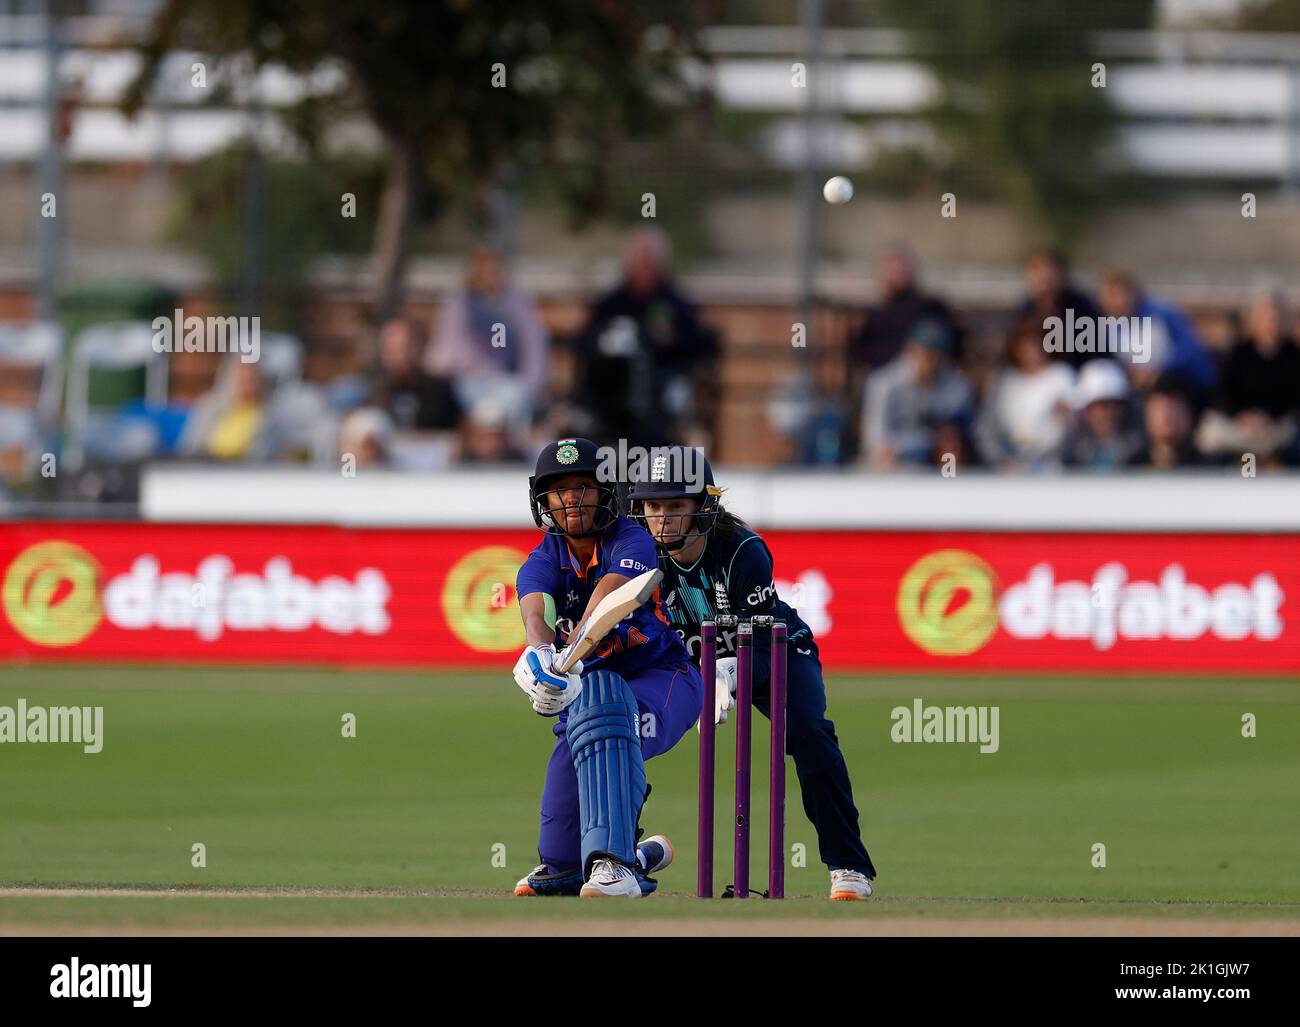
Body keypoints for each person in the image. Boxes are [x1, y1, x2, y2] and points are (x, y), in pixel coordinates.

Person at [628, 447, 877, 901]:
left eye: (675, 507)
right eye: (653, 507)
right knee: (621, 726)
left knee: (809, 734)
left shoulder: (743, 550)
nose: (662, 519)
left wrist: (730, 671)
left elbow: (760, 644)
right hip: (693, 663)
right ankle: (617, 857)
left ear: (703, 505)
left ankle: (848, 867)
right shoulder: (640, 555)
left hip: (773, 650)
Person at [512, 438, 703, 898]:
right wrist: (538, 660)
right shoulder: (540, 561)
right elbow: (535, 616)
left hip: (664, 679)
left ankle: (616, 865)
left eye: (584, 486)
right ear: (544, 501)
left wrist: (565, 657)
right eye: (560, 490)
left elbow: (607, 604)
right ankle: (622, 857)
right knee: (558, 852)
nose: (572, 498)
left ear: (605, 492)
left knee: (607, 708)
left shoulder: (632, 540)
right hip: (591, 692)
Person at [573, 228, 717, 447]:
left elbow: (701, 345)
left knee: (672, 400)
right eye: (640, 259)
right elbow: (583, 342)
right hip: (613, 388)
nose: (645, 266)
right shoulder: (612, 303)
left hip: (664, 382)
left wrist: (671, 340)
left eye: (650, 260)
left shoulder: (676, 303)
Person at [424, 243, 550, 416]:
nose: (491, 276)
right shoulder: (459, 304)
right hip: (465, 383)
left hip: (507, 384)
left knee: (512, 401)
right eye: (484, 270)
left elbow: (534, 350)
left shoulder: (518, 304)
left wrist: (530, 387)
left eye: (495, 270)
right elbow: (441, 355)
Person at [1199, 290, 1300, 465]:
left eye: (1276, 318)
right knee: (1209, 434)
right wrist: (1242, 416)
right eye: (1267, 317)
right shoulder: (1239, 353)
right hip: (1240, 427)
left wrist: (1269, 419)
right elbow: (1222, 392)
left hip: (1278, 429)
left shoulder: (1294, 356)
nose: (1272, 323)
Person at [861, 320, 974, 470]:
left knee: (951, 452)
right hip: (895, 465)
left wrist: (947, 442)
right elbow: (875, 441)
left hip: (937, 464)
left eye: (935, 355)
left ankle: (951, 488)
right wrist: (926, 441)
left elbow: (965, 435)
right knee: (883, 458)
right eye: (923, 353)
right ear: (908, 351)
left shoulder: (957, 386)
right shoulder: (882, 384)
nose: (928, 361)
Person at [974, 316, 1076, 470]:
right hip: (1010, 464)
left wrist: (1067, 416)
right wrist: (1002, 460)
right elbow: (987, 427)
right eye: (1026, 345)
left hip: (1053, 465)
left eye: (1037, 343)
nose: (1032, 351)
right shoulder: (1004, 382)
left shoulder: (1062, 375)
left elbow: (1075, 426)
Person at [1098, 270, 1217, 399]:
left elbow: (1191, 347)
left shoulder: (1161, 314)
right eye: (1112, 296)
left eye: (1122, 294)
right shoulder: (1109, 328)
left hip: (1187, 385)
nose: (1119, 301)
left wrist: (1157, 371)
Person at [1013, 248, 1101, 369]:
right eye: (1038, 272)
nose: (1045, 279)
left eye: (1050, 272)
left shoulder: (1081, 306)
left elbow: (1093, 349)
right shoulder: (1025, 310)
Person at [370, 316, 461, 431]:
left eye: (403, 348)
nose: (398, 356)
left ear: (421, 346)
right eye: (390, 350)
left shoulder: (440, 393)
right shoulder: (374, 394)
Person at [1061, 359, 1146, 471]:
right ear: (1086, 410)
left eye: (1117, 404)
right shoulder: (1070, 451)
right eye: (1103, 404)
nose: (1111, 412)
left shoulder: (1139, 449)